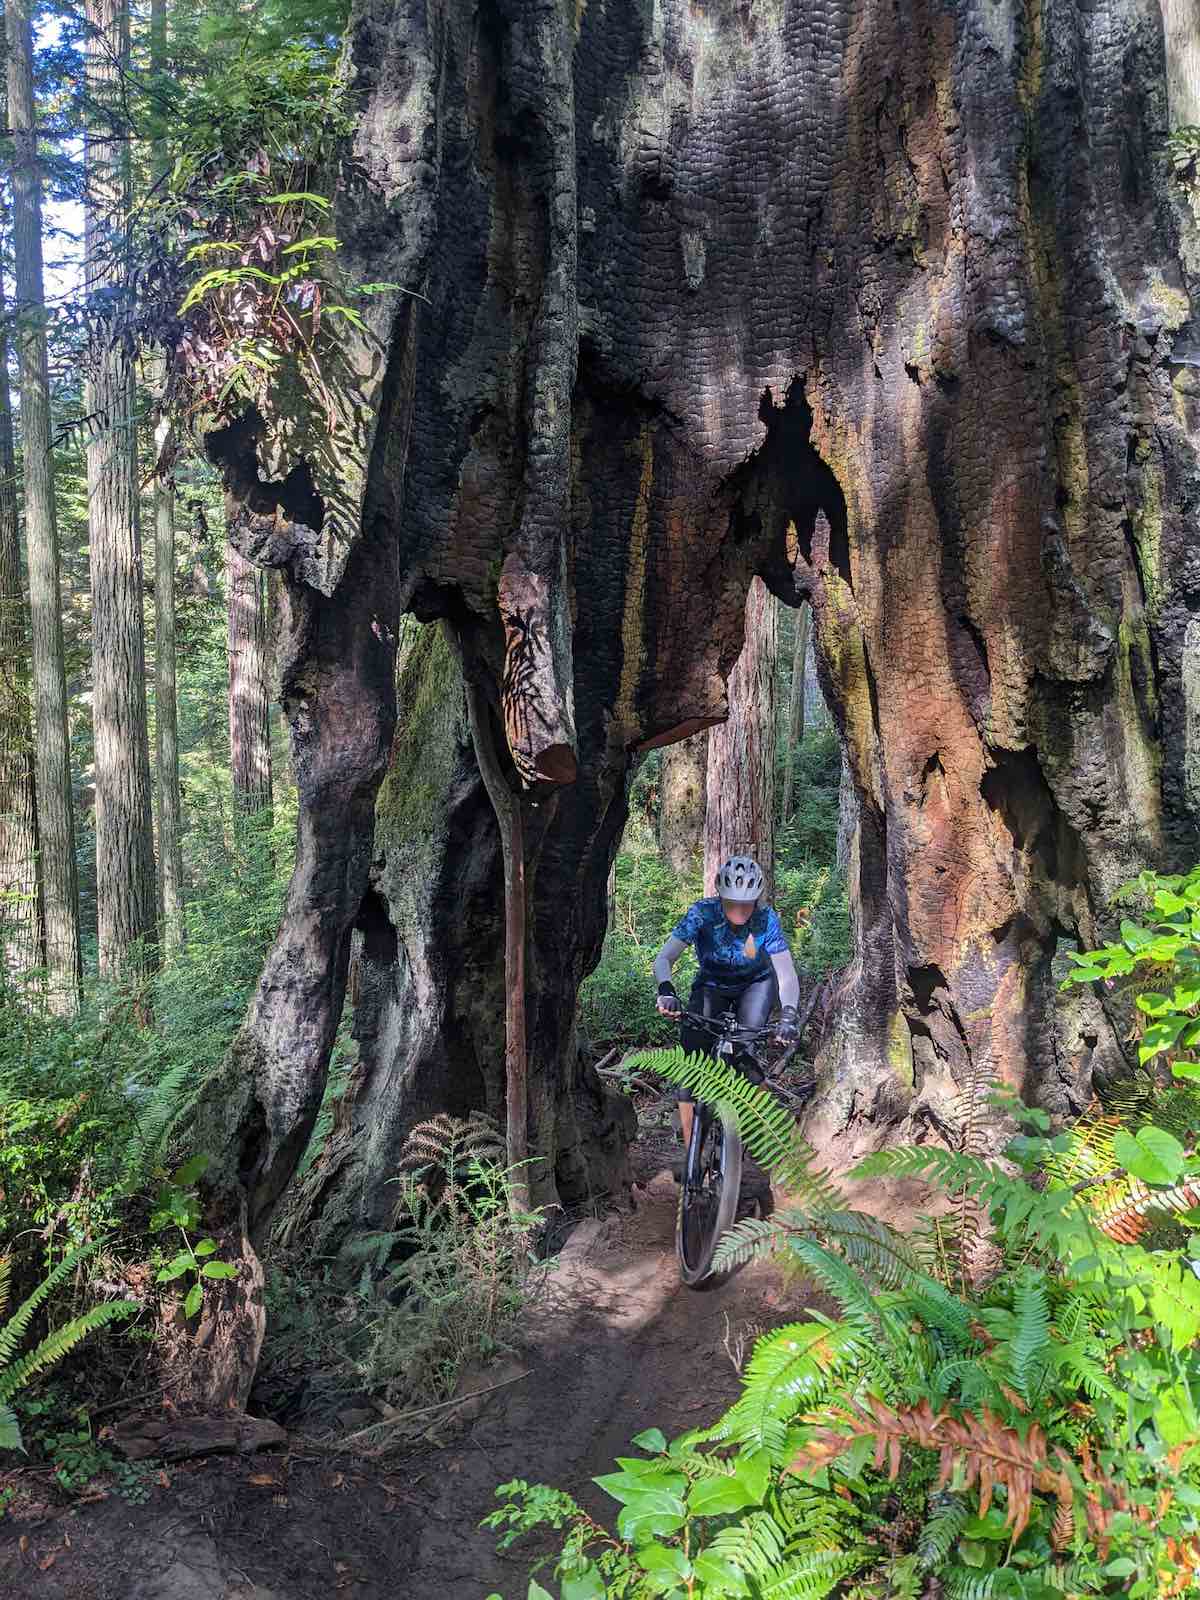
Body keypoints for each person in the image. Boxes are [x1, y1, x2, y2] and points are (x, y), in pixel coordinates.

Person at [652, 854, 801, 1150]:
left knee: (745, 1055)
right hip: (711, 987)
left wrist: (788, 1014)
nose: (740, 910)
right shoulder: (702, 913)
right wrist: (666, 990)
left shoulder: (766, 919)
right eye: (733, 902)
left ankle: (767, 1141)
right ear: (721, 896)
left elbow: (785, 972)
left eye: (747, 903)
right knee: (691, 1065)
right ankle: (691, 1151)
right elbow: (664, 958)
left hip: (755, 985)